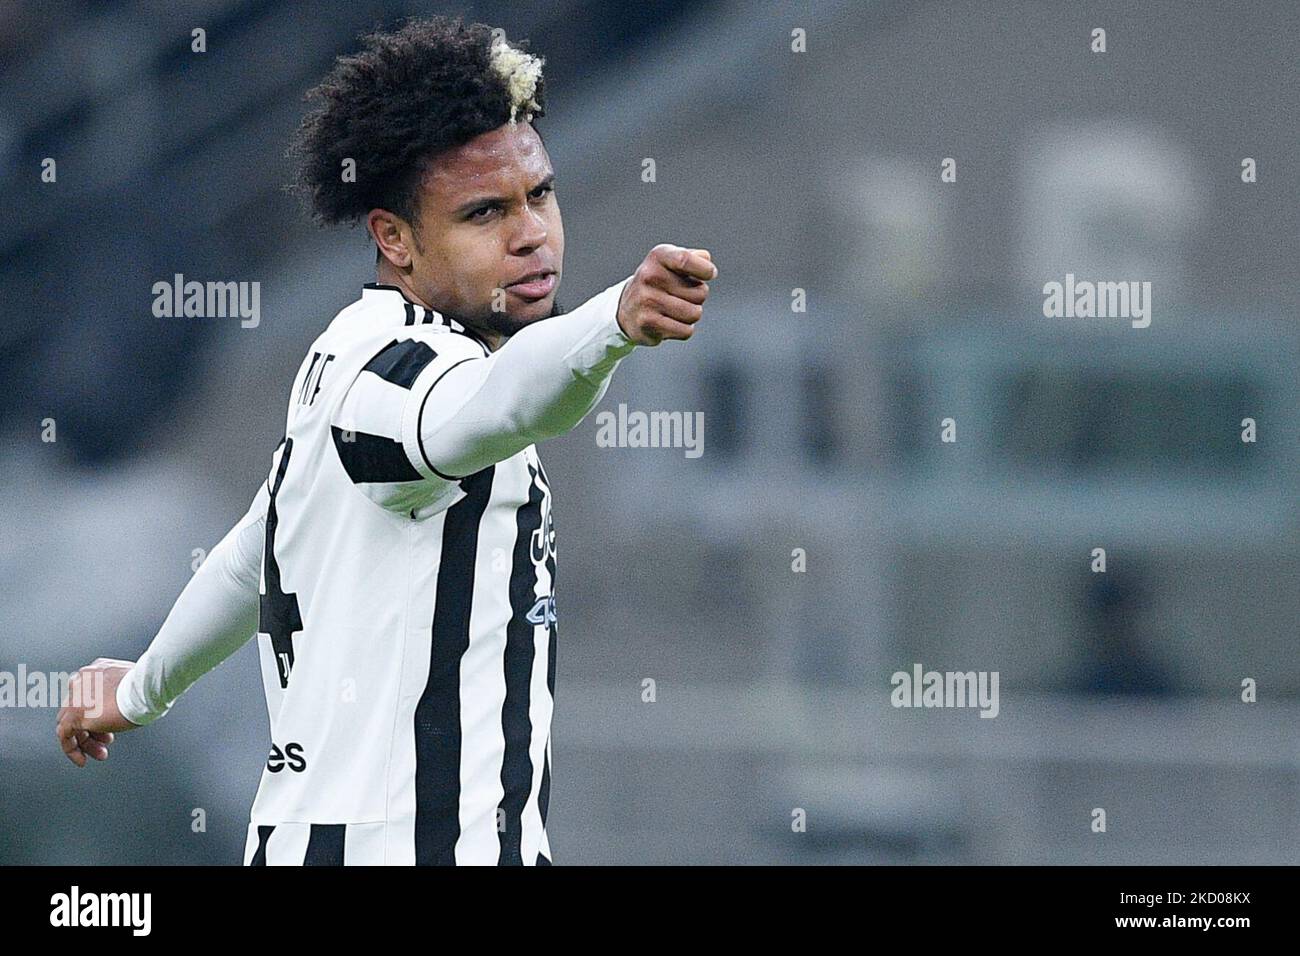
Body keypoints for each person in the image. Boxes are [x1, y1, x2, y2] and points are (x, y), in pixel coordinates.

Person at [55, 15, 716, 866]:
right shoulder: (403, 374)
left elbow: (258, 554)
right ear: (394, 238)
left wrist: (142, 687)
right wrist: (613, 324)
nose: (530, 233)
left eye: (539, 195)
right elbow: (502, 407)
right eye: (484, 213)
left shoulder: (345, 357)